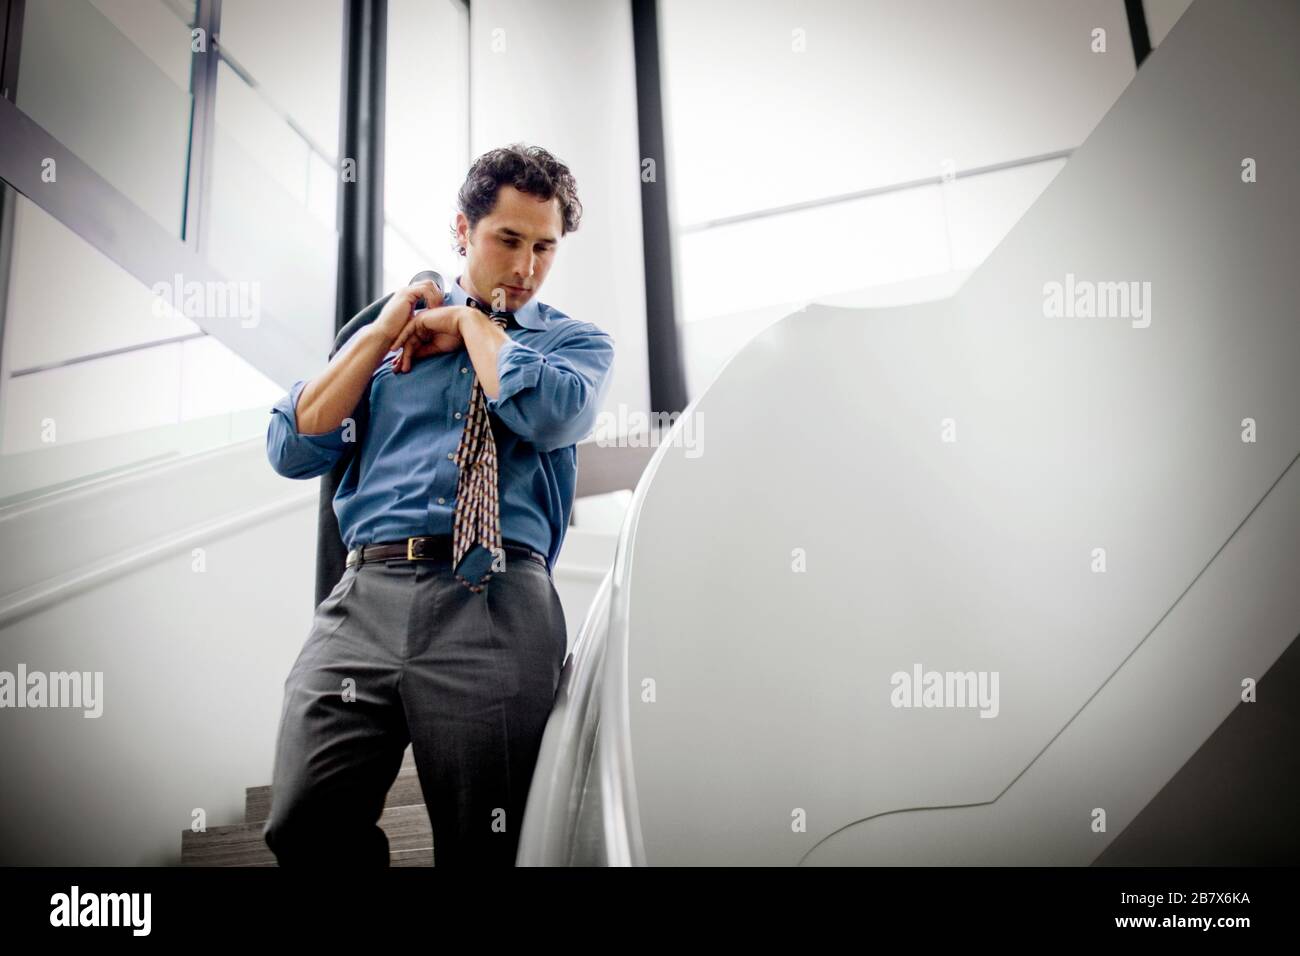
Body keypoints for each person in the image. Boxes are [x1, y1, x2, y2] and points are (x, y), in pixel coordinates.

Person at [261, 144, 615, 866]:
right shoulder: (384, 337)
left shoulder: (574, 345)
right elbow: (293, 447)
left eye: (544, 248)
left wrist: (474, 327)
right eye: (507, 240)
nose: (524, 268)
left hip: (496, 605)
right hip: (365, 598)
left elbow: (550, 418)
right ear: (463, 230)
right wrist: (384, 331)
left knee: (490, 842)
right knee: (304, 822)